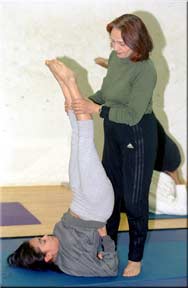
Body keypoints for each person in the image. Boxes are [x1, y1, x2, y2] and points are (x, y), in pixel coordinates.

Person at [70, 14, 185, 277]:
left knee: (134, 203)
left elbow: (133, 114)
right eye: (112, 42)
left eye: (121, 43)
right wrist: (84, 102)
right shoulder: (115, 59)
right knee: (107, 198)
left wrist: (96, 109)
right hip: (114, 134)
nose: (115, 48)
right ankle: (106, 249)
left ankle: (135, 258)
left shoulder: (146, 70)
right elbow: (106, 95)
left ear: (137, 41)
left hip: (137, 135)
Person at [7, 59, 119, 277]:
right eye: (42, 241)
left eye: (41, 237)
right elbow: (110, 270)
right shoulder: (71, 264)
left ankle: (64, 86)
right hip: (96, 206)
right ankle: (71, 82)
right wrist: (105, 239)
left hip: (80, 198)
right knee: (85, 142)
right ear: (48, 257)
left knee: (77, 138)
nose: (45, 236)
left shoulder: (57, 240)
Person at [94, 57, 187, 215]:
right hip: (165, 163)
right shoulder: (166, 199)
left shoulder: (151, 200)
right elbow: (182, 207)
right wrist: (177, 178)